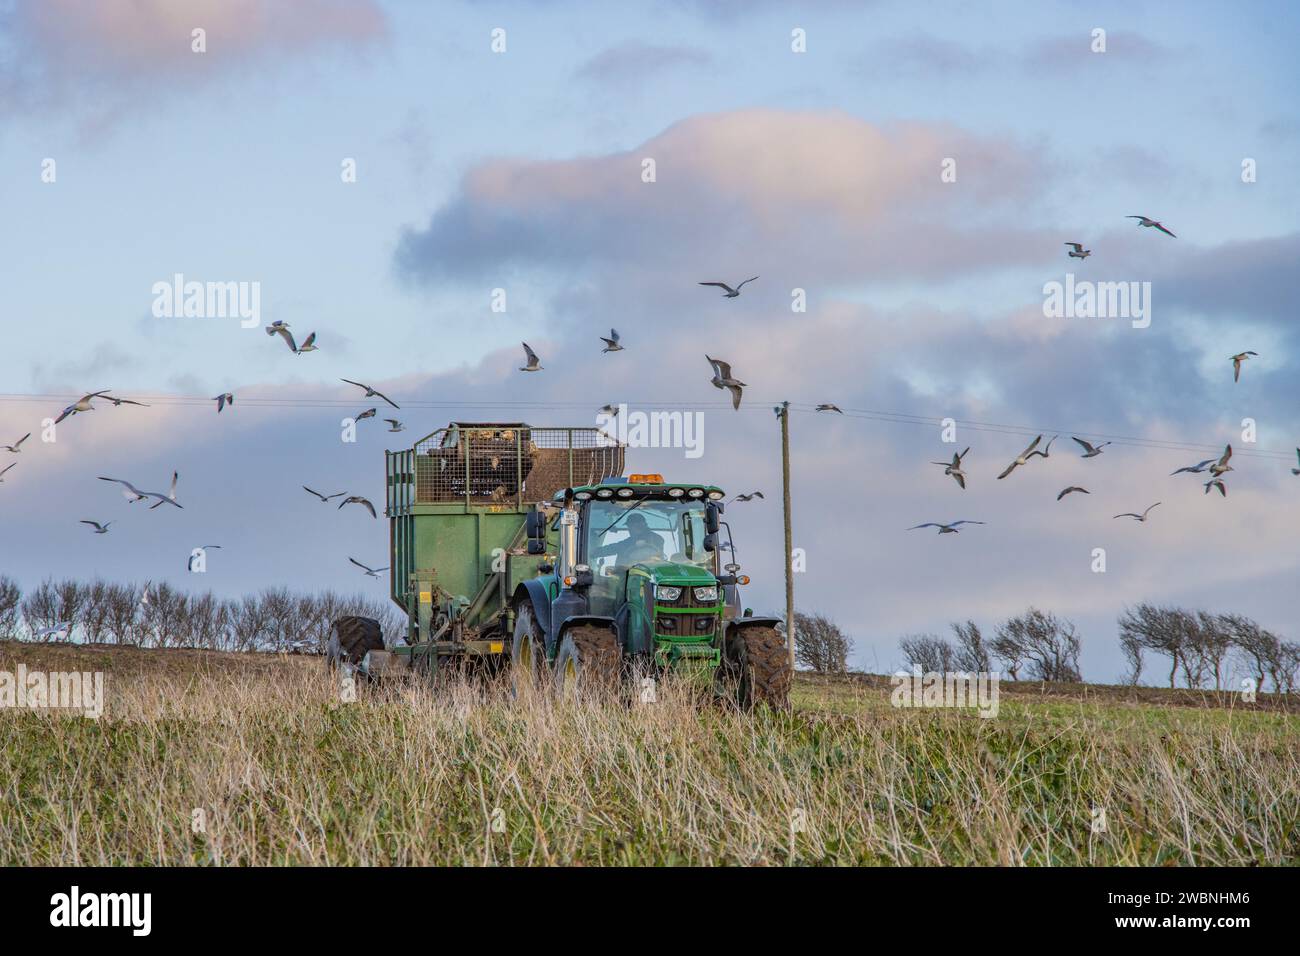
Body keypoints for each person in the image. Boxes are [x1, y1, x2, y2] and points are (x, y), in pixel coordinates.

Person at [595, 512, 666, 566]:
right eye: (629, 527)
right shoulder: (631, 541)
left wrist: (595, 552)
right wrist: (595, 552)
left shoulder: (654, 539)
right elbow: (615, 547)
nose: (629, 529)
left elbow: (616, 547)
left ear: (639, 525)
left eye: (630, 527)